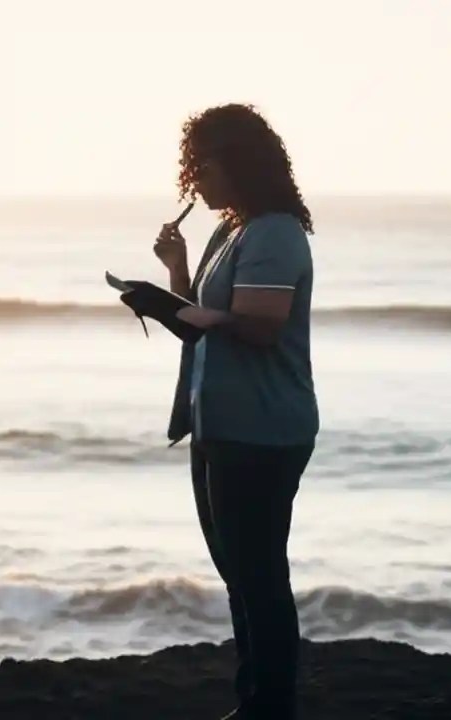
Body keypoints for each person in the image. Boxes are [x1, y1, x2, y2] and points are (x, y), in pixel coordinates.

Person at [151, 103, 319, 720]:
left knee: (258, 574)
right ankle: (254, 702)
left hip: (262, 427)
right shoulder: (232, 229)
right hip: (220, 424)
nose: (194, 180)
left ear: (237, 163)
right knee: (237, 571)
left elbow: (259, 327)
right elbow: (202, 323)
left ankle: (269, 708)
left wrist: (202, 315)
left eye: (203, 164)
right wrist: (175, 273)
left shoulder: (274, 231)